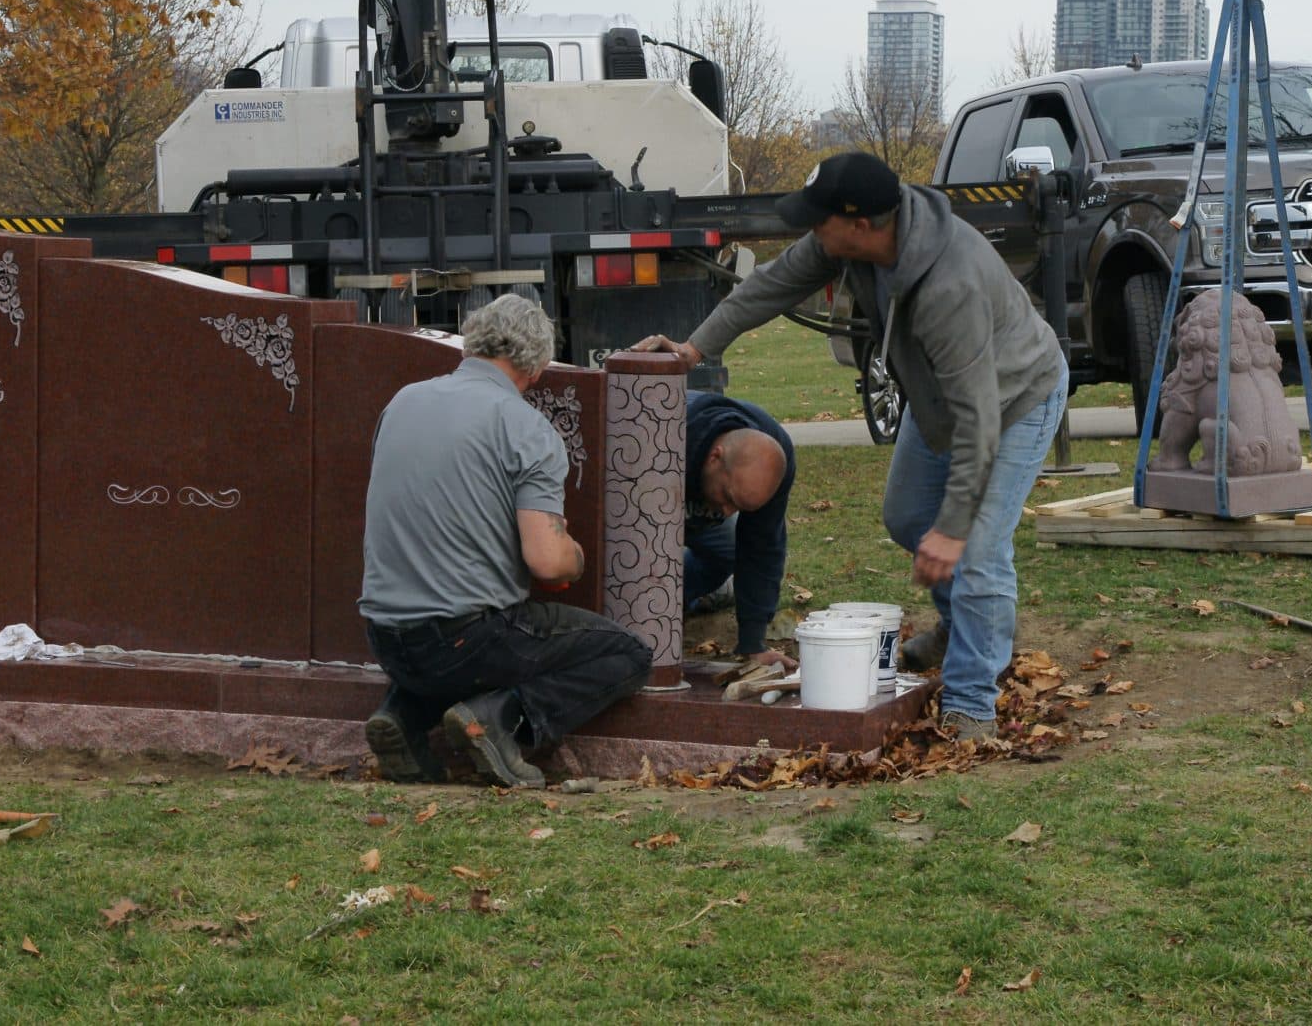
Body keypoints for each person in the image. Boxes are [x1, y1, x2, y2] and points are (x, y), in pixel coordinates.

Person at [636, 152, 1067, 743]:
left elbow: (980, 420)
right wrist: (694, 348)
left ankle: (972, 704)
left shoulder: (949, 282)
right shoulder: (844, 242)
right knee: (910, 516)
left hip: (1015, 400)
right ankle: (959, 625)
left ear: (862, 223)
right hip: (940, 398)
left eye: (819, 220)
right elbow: (771, 285)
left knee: (976, 547)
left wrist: (956, 525)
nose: (809, 231)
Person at [360, 294, 652, 788]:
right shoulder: (523, 426)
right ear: (538, 366)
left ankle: (403, 716)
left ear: (470, 343)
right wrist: (575, 557)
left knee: (456, 650)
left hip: (385, 636)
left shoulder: (402, 401)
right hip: (465, 640)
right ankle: (501, 720)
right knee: (627, 655)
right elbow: (548, 562)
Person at [682, 391, 795, 661]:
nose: (727, 512)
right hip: (632, 514)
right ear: (714, 458)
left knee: (730, 549)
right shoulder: (663, 434)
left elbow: (763, 546)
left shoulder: (774, 454)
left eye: (741, 508)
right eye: (729, 498)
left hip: (693, 506)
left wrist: (753, 644)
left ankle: (679, 599)